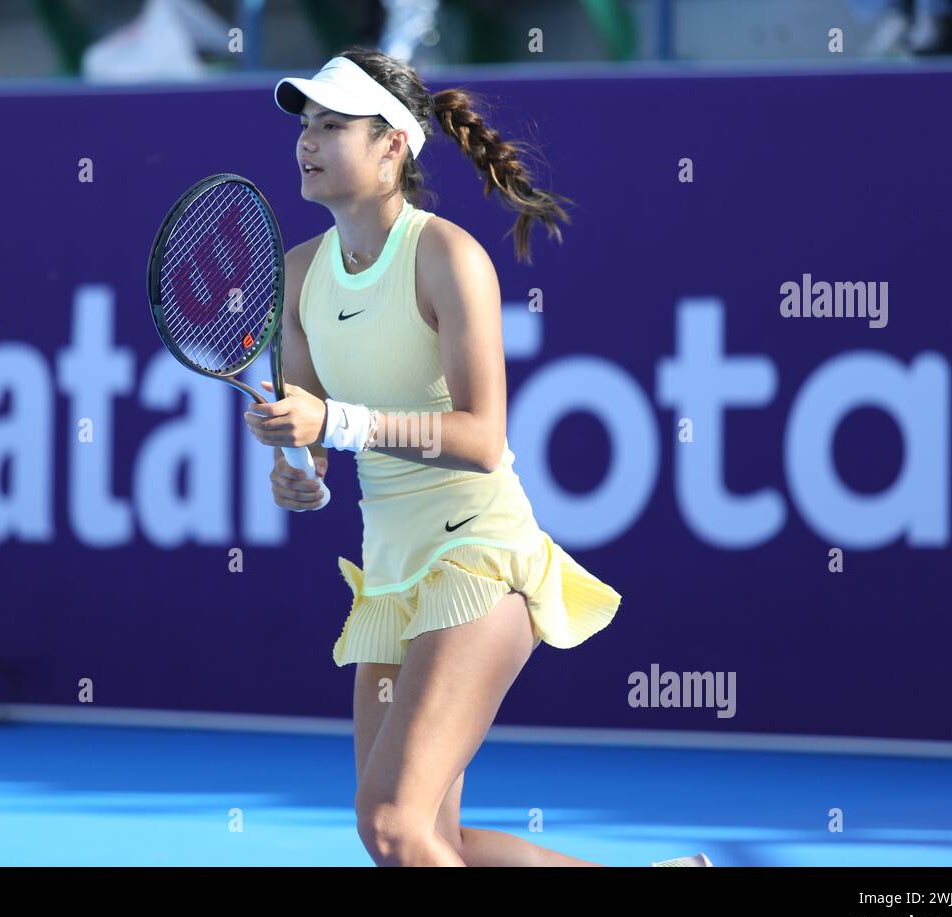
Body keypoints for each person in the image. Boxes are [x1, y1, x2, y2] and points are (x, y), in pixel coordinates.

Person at [244, 48, 711, 868]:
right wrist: (301, 475)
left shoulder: (447, 258)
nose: (306, 142)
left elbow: (482, 436)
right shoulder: (298, 276)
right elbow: (317, 441)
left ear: (393, 145)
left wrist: (338, 423)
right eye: (304, 125)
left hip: (479, 558)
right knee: (426, 840)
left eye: (332, 124)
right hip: (390, 573)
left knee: (392, 826)